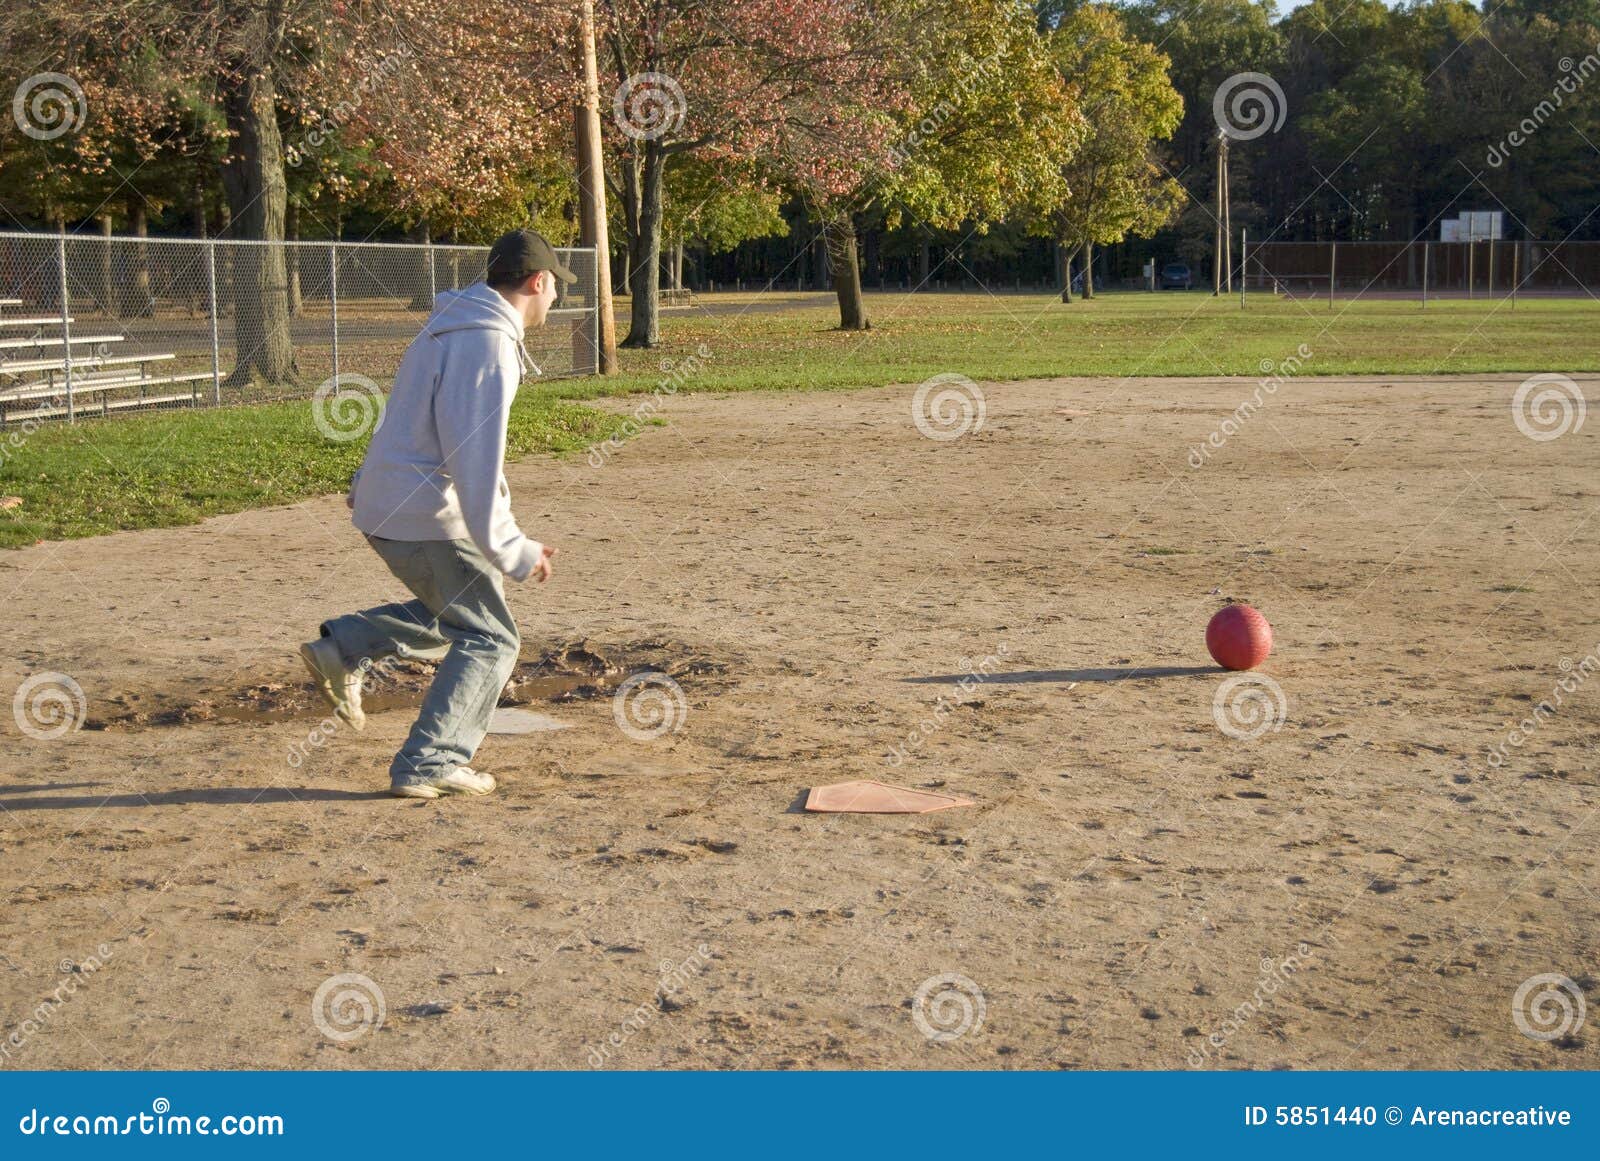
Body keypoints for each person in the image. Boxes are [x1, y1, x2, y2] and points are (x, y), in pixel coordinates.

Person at [299, 228, 574, 799]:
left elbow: (405, 419)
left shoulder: (449, 328)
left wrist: (368, 481)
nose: (555, 298)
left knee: (461, 611)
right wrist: (511, 547)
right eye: (555, 287)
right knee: (491, 638)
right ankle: (430, 761)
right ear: (537, 282)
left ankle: (346, 645)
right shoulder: (487, 344)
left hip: (392, 503)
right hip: (425, 513)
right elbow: (472, 457)